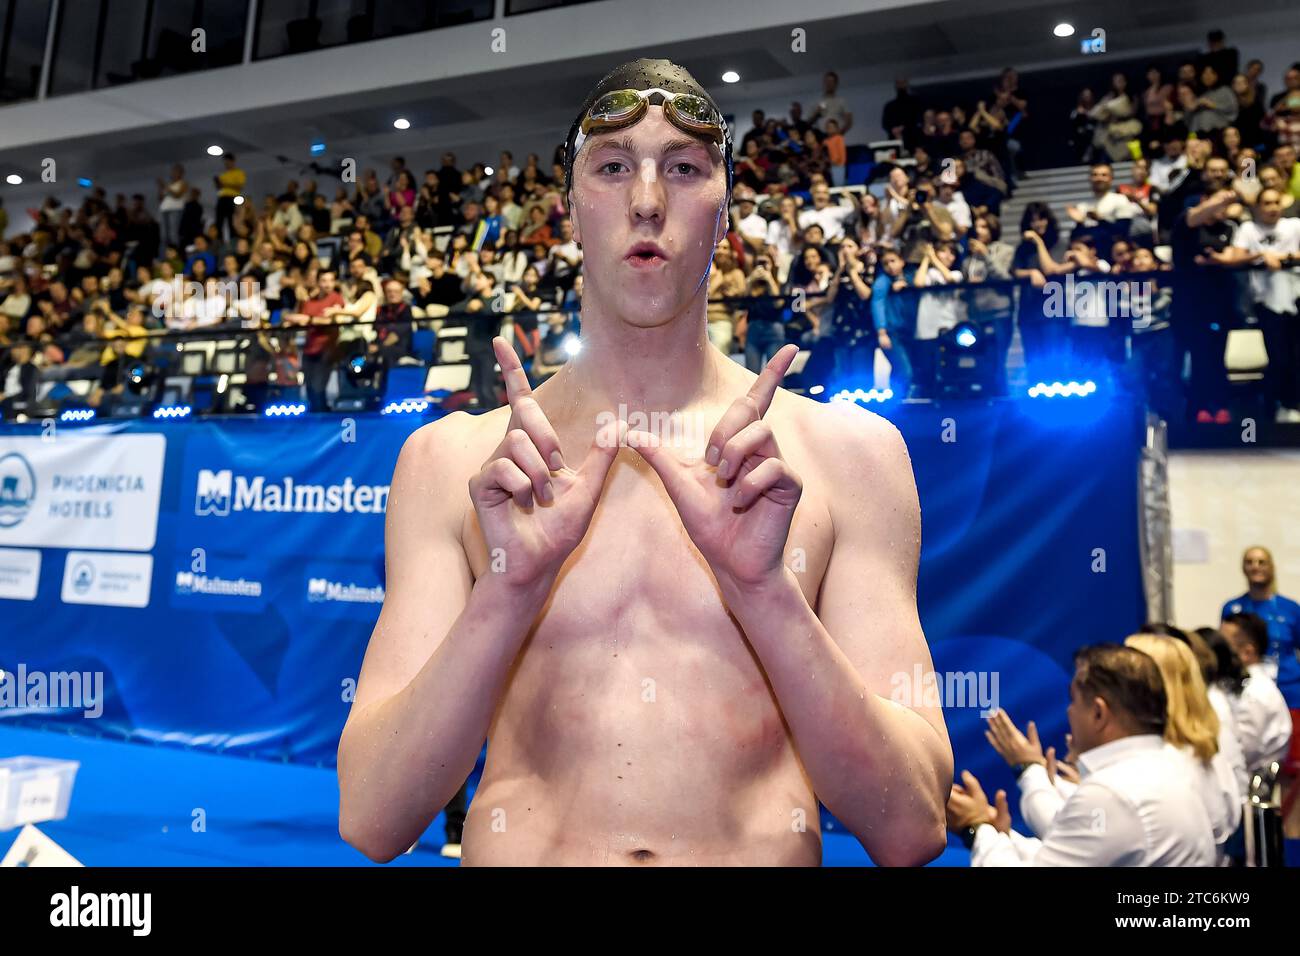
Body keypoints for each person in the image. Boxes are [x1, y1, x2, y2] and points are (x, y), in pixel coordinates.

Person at [337, 58, 952, 867]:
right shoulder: (455, 460)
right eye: (614, 165)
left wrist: (764, 594)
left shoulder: (849, 457)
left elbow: (910, 826)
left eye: (685, 168)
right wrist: (508, 592)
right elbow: (376, 817)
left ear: (725, 212)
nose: (648, 200)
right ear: (568, 209)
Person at [947, 644, 1216, 866]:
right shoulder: (1168, 764)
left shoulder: (1112, 792)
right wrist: (999, 835)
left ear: (1098, 713)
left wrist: (976, 828)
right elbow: (1072, 851)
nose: (1069, 712)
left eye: (1074, 700)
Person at [1222, 546, 1300, 736]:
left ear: (1271, 567)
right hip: (1247, 691)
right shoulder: (1232, 609)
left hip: (1289, 690)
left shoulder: (1290, 608)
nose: (1255, 567)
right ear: (1243, 568)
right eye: (1250, 562)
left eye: (1261, 562)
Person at [1220, 612, 1294, 773]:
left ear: (1246, 653)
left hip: (1252, 783)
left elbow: (1244, 752)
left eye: (1223, 646)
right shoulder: (1244, 685)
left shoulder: (1254, 692)